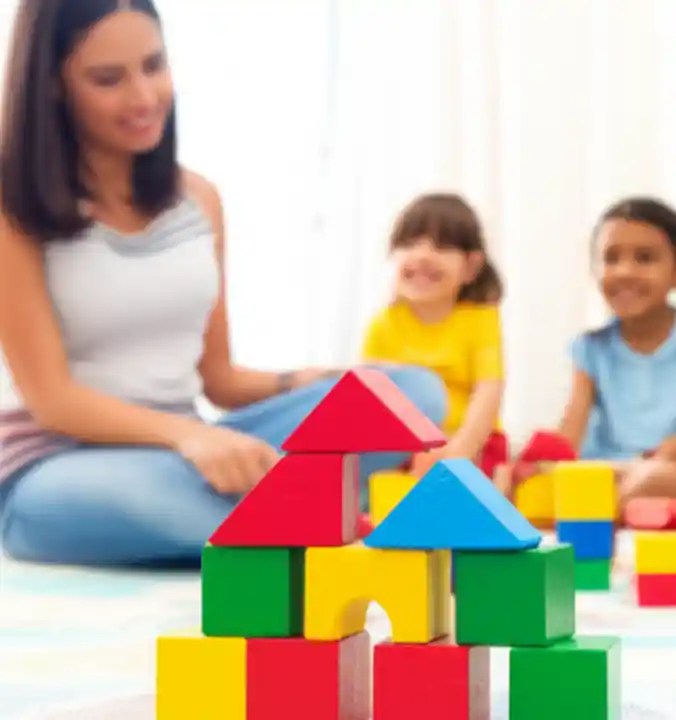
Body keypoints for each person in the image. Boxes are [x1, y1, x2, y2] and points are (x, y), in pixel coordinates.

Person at [0, 0, 446, 567]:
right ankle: (308, 516)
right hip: (55, 470)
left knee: (407, 395)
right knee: (164, 495)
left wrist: (297, 380)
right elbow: (52, 401)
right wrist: (189, 438)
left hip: (187, 451)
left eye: (153, 66)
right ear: (54, 88)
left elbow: (218, 380)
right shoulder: (13, 210)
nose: (144, 97)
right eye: (109, 79)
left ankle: (283, 519)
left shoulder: (199, 201)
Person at [556, 197, 676, 506]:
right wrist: (536, 464)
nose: (625, 271)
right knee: (538, 479)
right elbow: (567, 439)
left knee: (658, 481)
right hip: (612, 471)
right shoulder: (590, 349)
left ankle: (602, 517)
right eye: (611, 258)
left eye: (645, 258)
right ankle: (603, 514)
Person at [362, 193, 507, 478]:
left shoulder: (480, 319)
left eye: (442, 246)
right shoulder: (383, 324)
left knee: (480, 483)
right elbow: (371, 403)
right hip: (404, 450)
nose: (423, 255)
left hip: (471, 442)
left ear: (471, 267)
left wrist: (462, 449)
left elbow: (488, 390)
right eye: (409, 244)